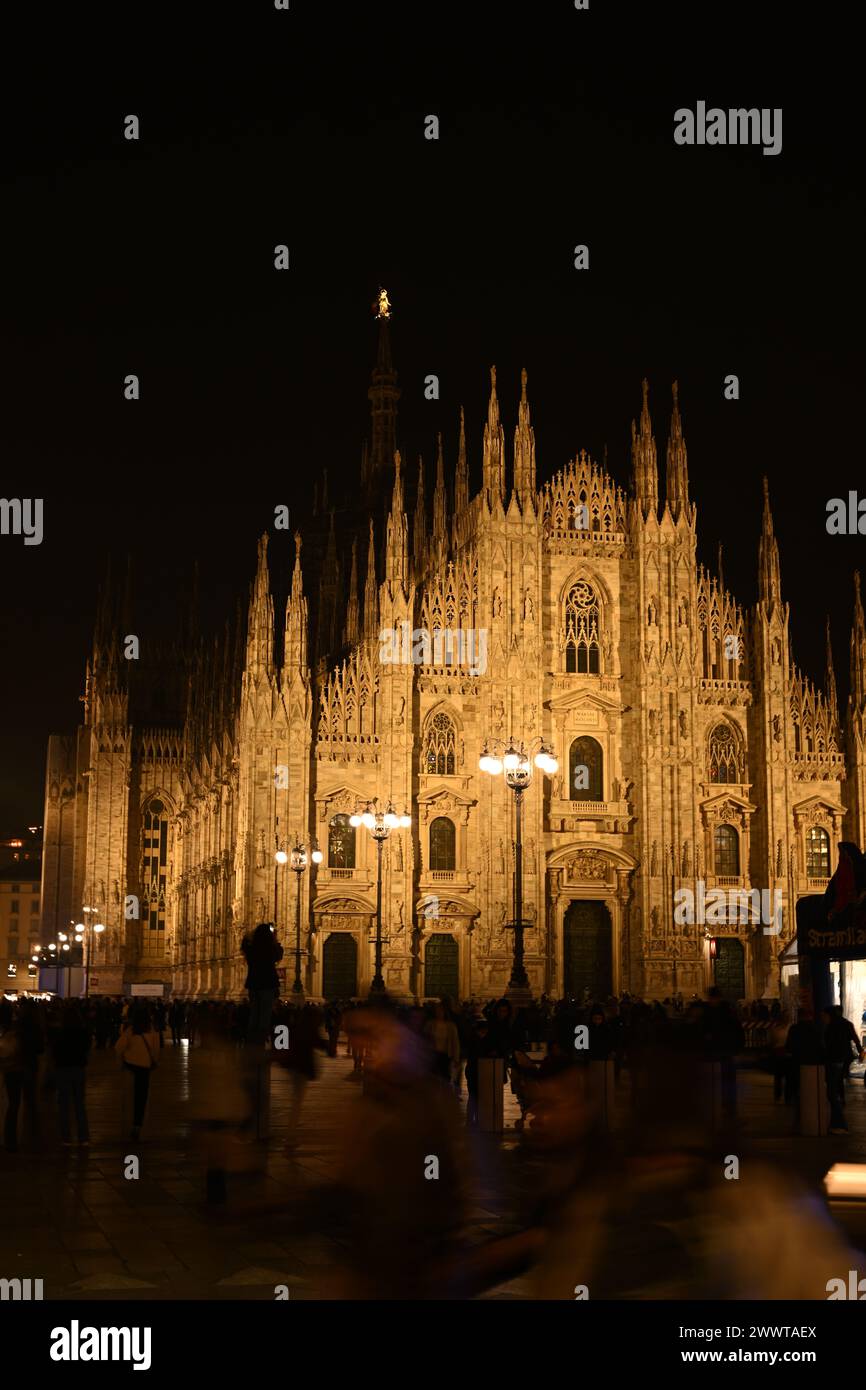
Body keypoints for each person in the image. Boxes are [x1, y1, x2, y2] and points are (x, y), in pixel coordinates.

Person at [48, 1000, 92, 1146]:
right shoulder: (83, 1032)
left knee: (64, 1104)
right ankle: (83, 1137)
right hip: (78, 1069)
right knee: (80, 1103)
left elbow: (54, 1052)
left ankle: (66, 1137)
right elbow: (87, 1049)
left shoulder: (59, 1033)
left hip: (62, 1069)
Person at [115, 1005, 160, 1140]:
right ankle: (139, 1126)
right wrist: (153, 1062)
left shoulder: (131, 1031)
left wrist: (121, 1063)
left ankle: (128, 1126)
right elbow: (156, 1050)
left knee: (129, 1098)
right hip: (145, 1069)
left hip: (130, 1068)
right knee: (142, 1098)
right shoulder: (152, 1031)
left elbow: (118, 1047)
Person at [241, 923, 284, 1045]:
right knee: (265, 1015)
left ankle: (252, 1042)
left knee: (254, 1014)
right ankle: (259, 1042)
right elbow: (279, 953)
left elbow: (244, 944)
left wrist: (251, 935)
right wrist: (274, 938)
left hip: (253, 985)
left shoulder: (251, 949)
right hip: (267, 985)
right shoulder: (270, 949)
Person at [822, 1006, 861, 1133]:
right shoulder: (847, 1024)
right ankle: (841, 1100)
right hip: (844, 1057)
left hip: (835, 1059)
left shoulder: (831, 1026)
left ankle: (839, 1122)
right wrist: (860, 1050)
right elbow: (855, 1038)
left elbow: (827, 1043)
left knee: (833, 1088)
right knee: (838, 1081)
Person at [424, 1000, 461, 1083]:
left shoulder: (451, 1026)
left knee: (445, 1079)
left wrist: (456, 1058)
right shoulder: (430, 1024)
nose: (439, 1012)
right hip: (433, 1054)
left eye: (441, 1010)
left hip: (446, 1055)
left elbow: (455, 1043)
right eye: (437, 1010)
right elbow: (424, 1038)